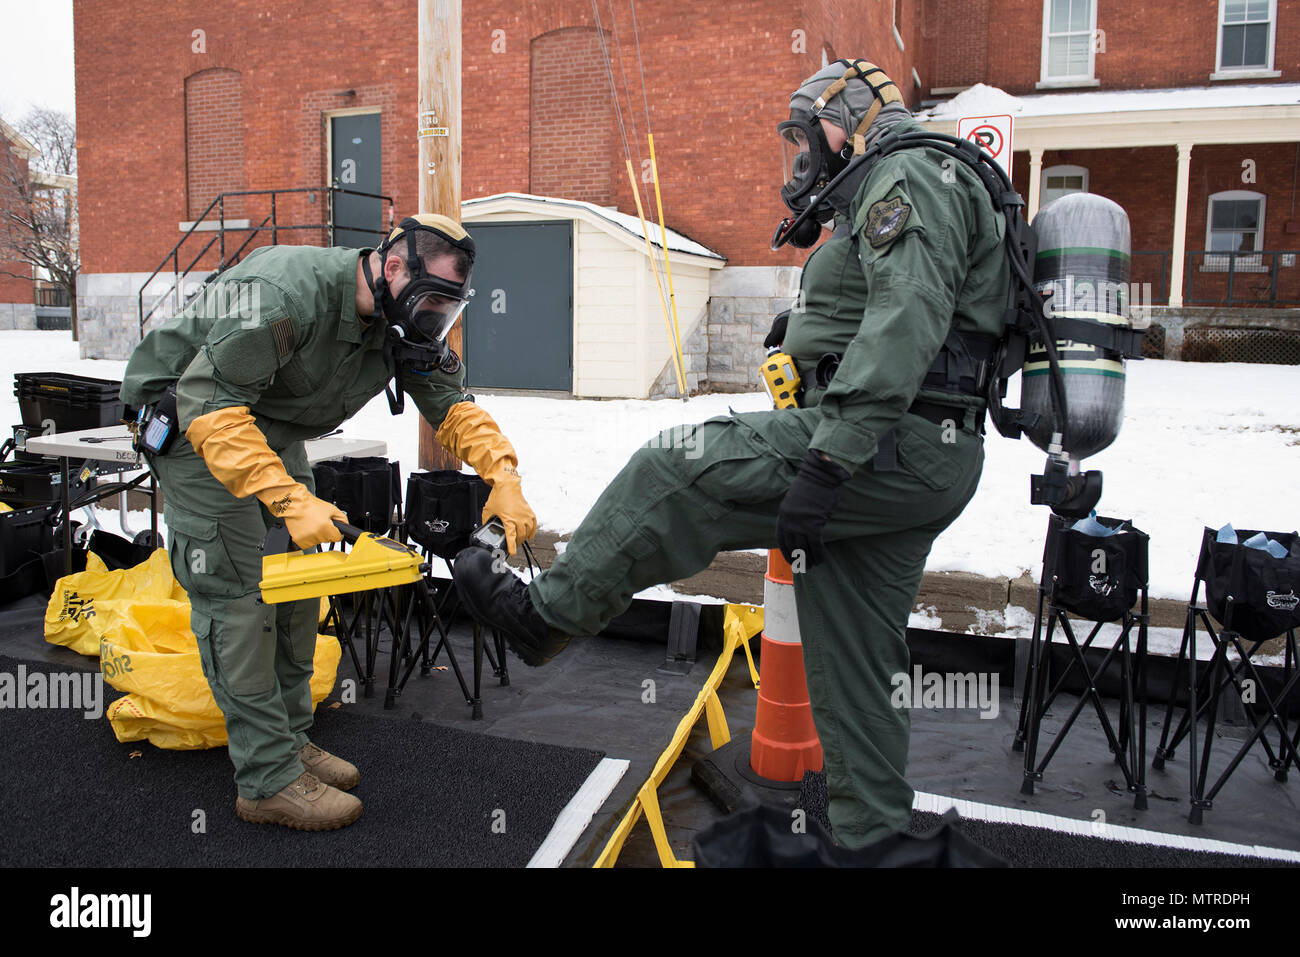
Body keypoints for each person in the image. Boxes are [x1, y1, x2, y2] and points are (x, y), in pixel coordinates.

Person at [454, 60, 1011, 849]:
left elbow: (906, 322)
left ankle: (544, 617)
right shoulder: (911, 183)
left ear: (845, 120)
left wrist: (827, 461)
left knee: (678, 464)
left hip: (887, 446)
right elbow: (899, 315)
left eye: (802, 139)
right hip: (917, 455)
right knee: (856, 666)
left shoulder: (909, 171)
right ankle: (871, 843)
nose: (797, 161)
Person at [120, 214, 537, 831]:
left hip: (266, 427)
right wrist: (289, 502)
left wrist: (504, 477)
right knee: (238, 597)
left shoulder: (402, 321)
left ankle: (288, 740)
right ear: (394, 268)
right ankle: (265, 780)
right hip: (192, 420)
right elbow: (209, 405)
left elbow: (451, 406)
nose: (436, 322)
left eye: (449, 310)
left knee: (298, 588)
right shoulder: (285, 294)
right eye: (432, 303)